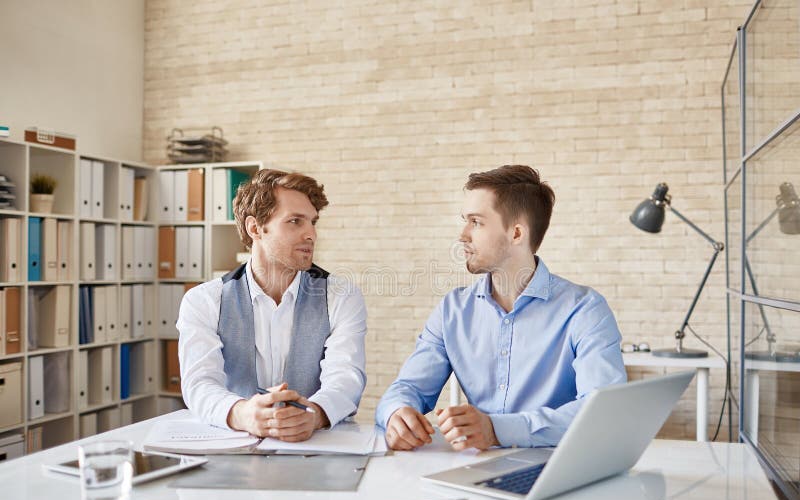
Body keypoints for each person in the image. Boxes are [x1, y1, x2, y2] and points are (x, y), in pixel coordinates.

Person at [375, 165, 626, 451]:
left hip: (558, 467)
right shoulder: (452, 310)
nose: (462, 235)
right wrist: (397, 413)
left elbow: (602, 413)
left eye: (476, 222)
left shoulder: (585, 310)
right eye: (465, 221)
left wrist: (497, 430)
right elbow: (408, 387)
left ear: (516, 233)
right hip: (476, 467)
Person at [177, 169, 367, 442]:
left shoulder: (341, 296)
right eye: (295, 221)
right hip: (234, 444)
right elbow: (199, 383)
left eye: (313, 222)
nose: (311, 234)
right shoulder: (204, 301)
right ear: (255, 228)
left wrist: (314, 414)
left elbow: (346, 378)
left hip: (315, 445)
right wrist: (242, 414)